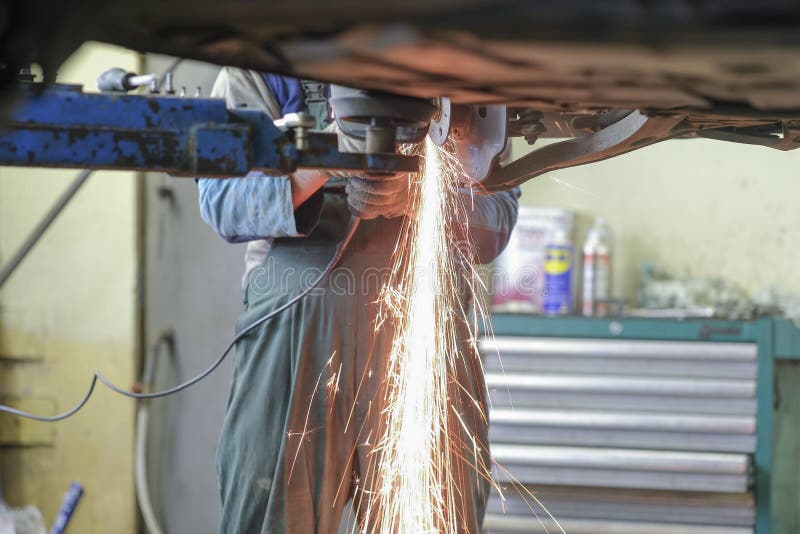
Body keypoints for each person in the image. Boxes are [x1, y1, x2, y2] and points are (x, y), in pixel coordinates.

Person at [197, 67, 520, 534]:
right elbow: (223, 201)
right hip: (295, 336)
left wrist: (421, 192)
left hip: (424, 336)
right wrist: (325, 161)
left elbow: (496, 221)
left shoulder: (462, 59)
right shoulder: (261, 58)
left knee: (434, 517)